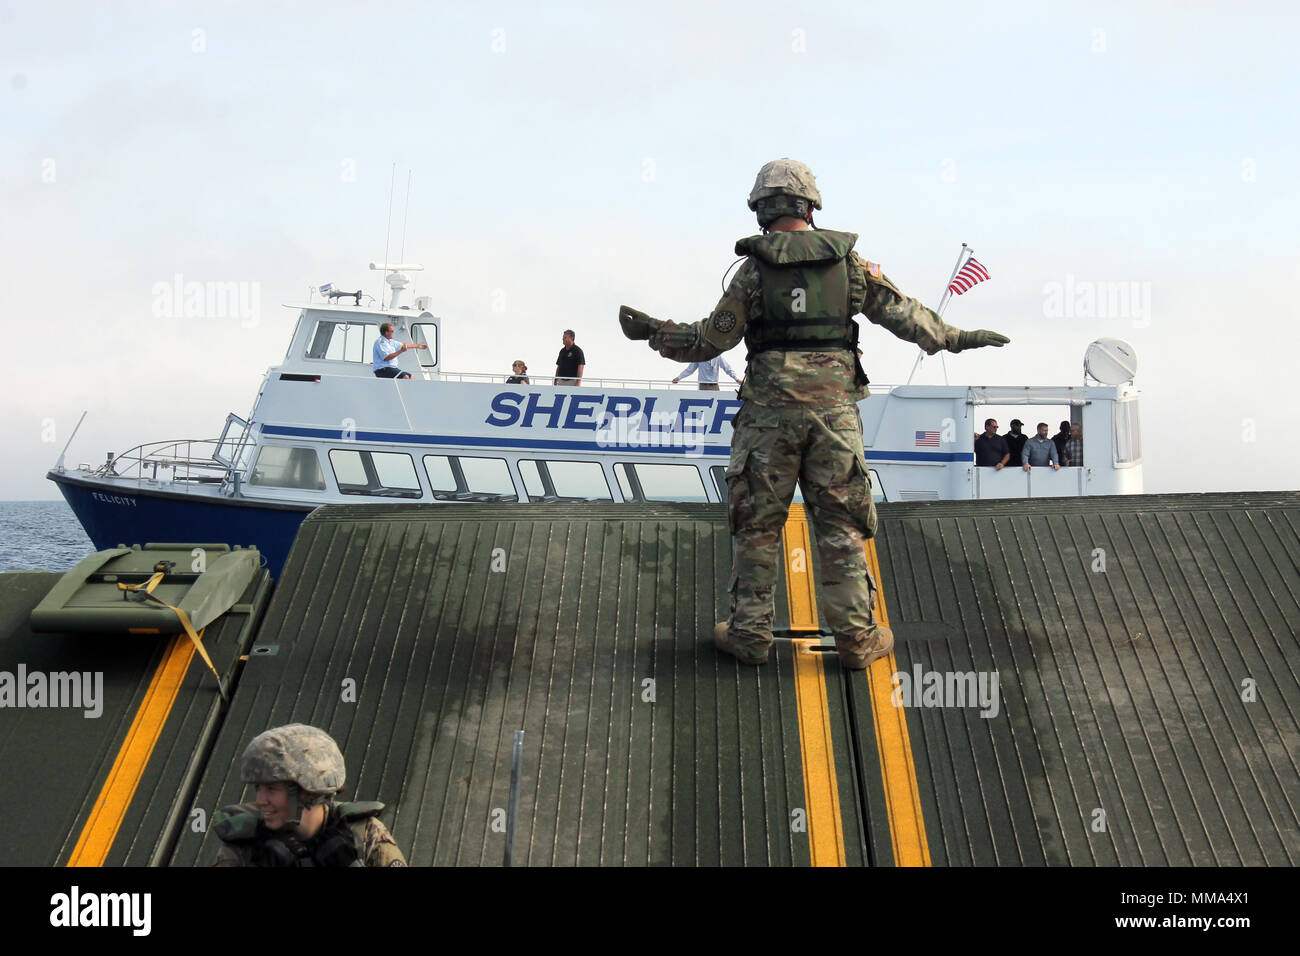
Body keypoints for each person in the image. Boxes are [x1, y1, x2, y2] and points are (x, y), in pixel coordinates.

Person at [618, 158, 1010, 669]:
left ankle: (750, 636)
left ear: (761, 210)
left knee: (756, 526)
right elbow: (907, 316)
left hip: (766, 420)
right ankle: (856, 641)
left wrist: (654, 332)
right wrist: (956, 338)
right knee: (841, 526)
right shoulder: (850, 264)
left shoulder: (753, 271)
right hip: (835, 418)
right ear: (810, 205)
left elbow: (707, 341)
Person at [212, 724, 407, 867]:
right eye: (258, 788)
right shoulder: (245, 844)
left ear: (309, 792)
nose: (261, 801)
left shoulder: (364, 833)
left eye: (271, 789)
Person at [674, 355, 741, 391]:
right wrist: (679, 378)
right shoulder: (699, 356)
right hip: (703, 385)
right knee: (702, 408)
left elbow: (728, 369)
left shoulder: (718, 357)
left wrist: (736, 379)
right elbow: (690, 370)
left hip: (714, 386)